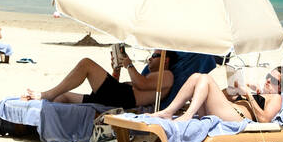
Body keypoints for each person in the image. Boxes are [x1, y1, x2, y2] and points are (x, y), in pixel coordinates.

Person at [23, 48, 175, 109]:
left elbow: (141, 85)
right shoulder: (151, 75)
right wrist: (116, 70)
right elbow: (124, 85)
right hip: (115, 97)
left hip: (124, 98)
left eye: (154, 56)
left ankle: (46, 94)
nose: (149, 60)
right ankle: (45, 116)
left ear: (165, 60)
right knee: (63, 97)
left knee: (86, 64)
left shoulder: (167, 75)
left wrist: (129, 65)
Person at [148, 66, 283, 125]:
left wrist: (249, 95)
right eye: (269, 76)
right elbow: (223, 98)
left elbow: (265, 120)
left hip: (235, 116)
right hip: (224, 110)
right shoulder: (258, 92)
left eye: (273, 80)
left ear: (281, 87)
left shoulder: (276, 98)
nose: (268, 81)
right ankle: (169, 111)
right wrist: (234, 90)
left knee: (205, 78)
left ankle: (188, 114)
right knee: (196, 76)